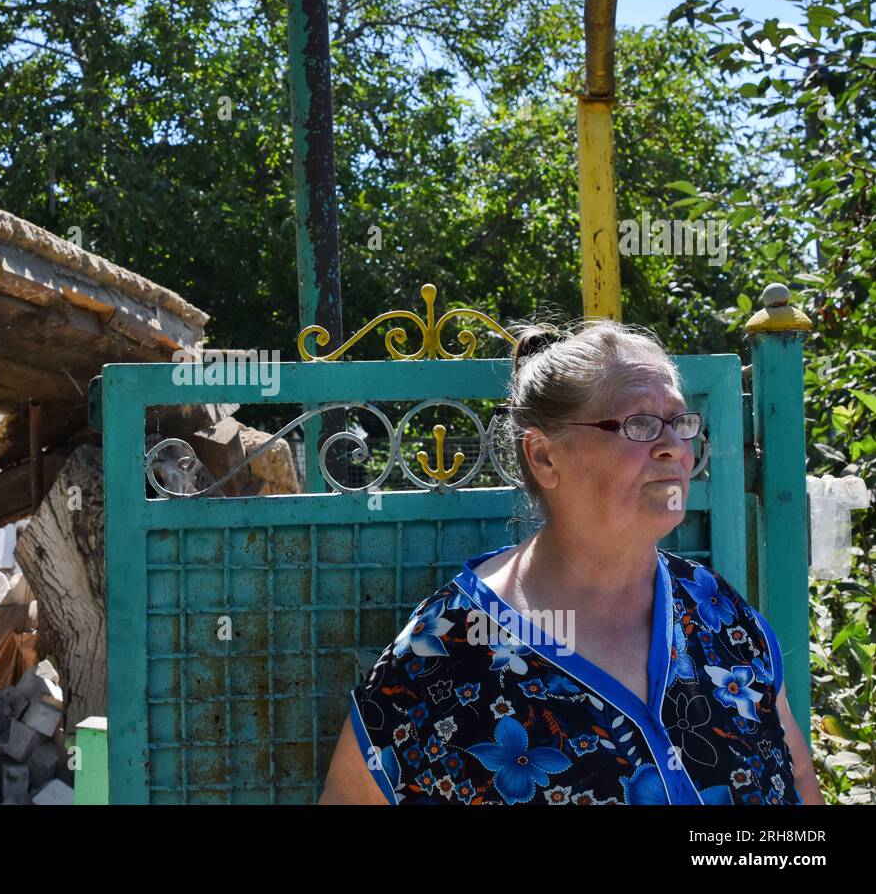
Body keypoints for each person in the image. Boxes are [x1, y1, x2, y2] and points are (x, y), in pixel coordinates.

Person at [319, 319, 824, 805]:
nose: (675, 448)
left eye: (680, 422)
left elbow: (797, 775)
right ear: (544, 457)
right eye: (640, 424)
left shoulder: (717, 610)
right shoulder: (449, 647)